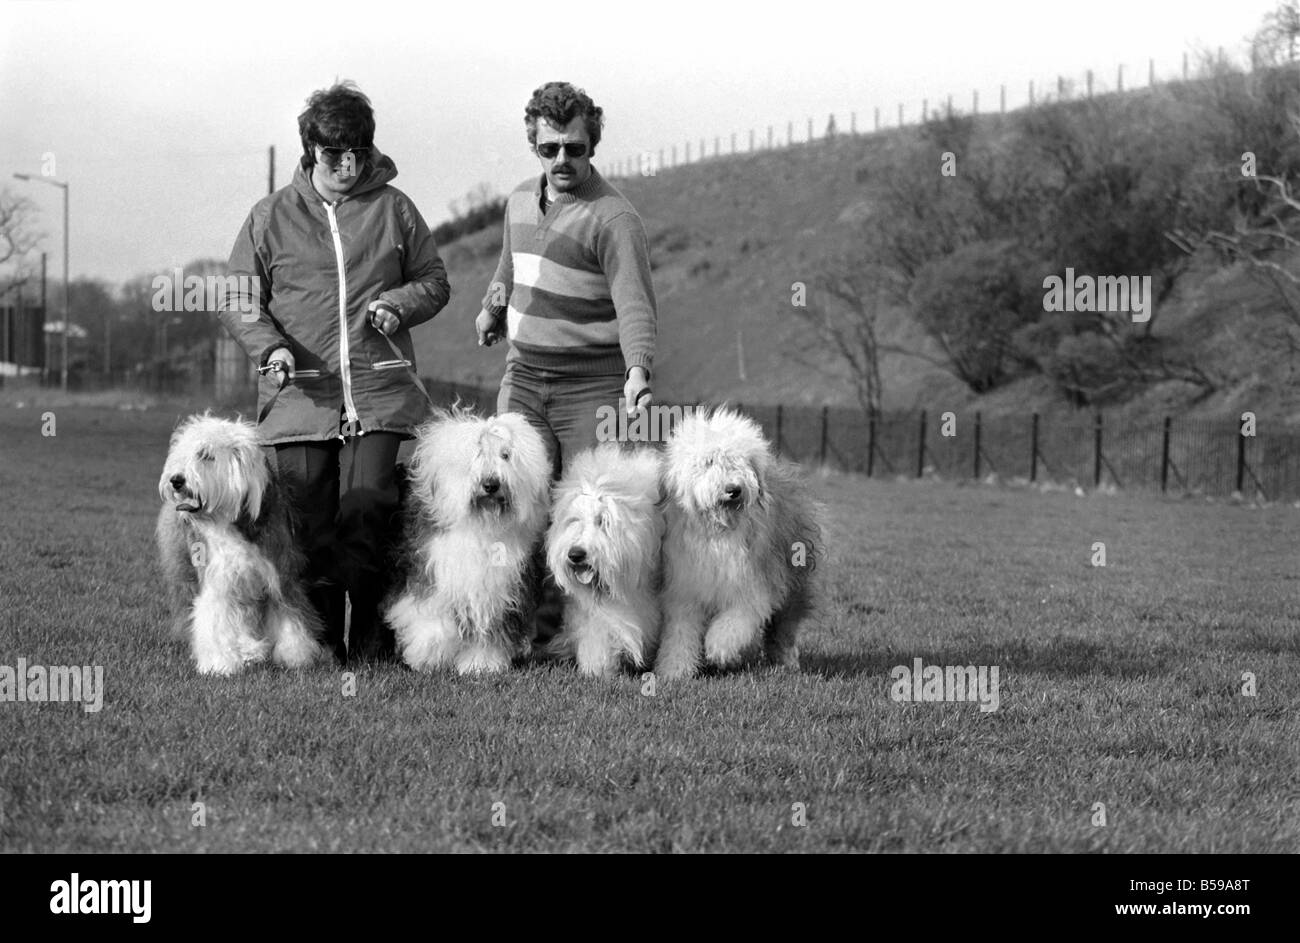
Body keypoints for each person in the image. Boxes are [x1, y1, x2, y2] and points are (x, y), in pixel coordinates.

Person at [218, 81, 450, 664]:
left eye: (359, 152)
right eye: (333, 154)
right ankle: (317, 646)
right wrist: (270, 348)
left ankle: (372, 642)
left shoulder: (395, 207)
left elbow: (435, 281)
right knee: (310, 528)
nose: (348, 165)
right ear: (309, 151)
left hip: (382, 392)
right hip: (299, 399)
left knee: (369, 509)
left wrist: (400, 302)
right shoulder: (268, 217)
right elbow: (240, 298)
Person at [475, 81, 656, 478]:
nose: (561, 159)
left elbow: (634, 305)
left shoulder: (615, 219)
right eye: (549, 148)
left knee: (589, 508)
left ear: (592, 145)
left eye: (574, 148)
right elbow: (511, 264)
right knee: (519, 503)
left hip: (592, 387)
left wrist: (637, 372)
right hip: (521, 377)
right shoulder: (519, 200)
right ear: (534, 146)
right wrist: (493, 306)